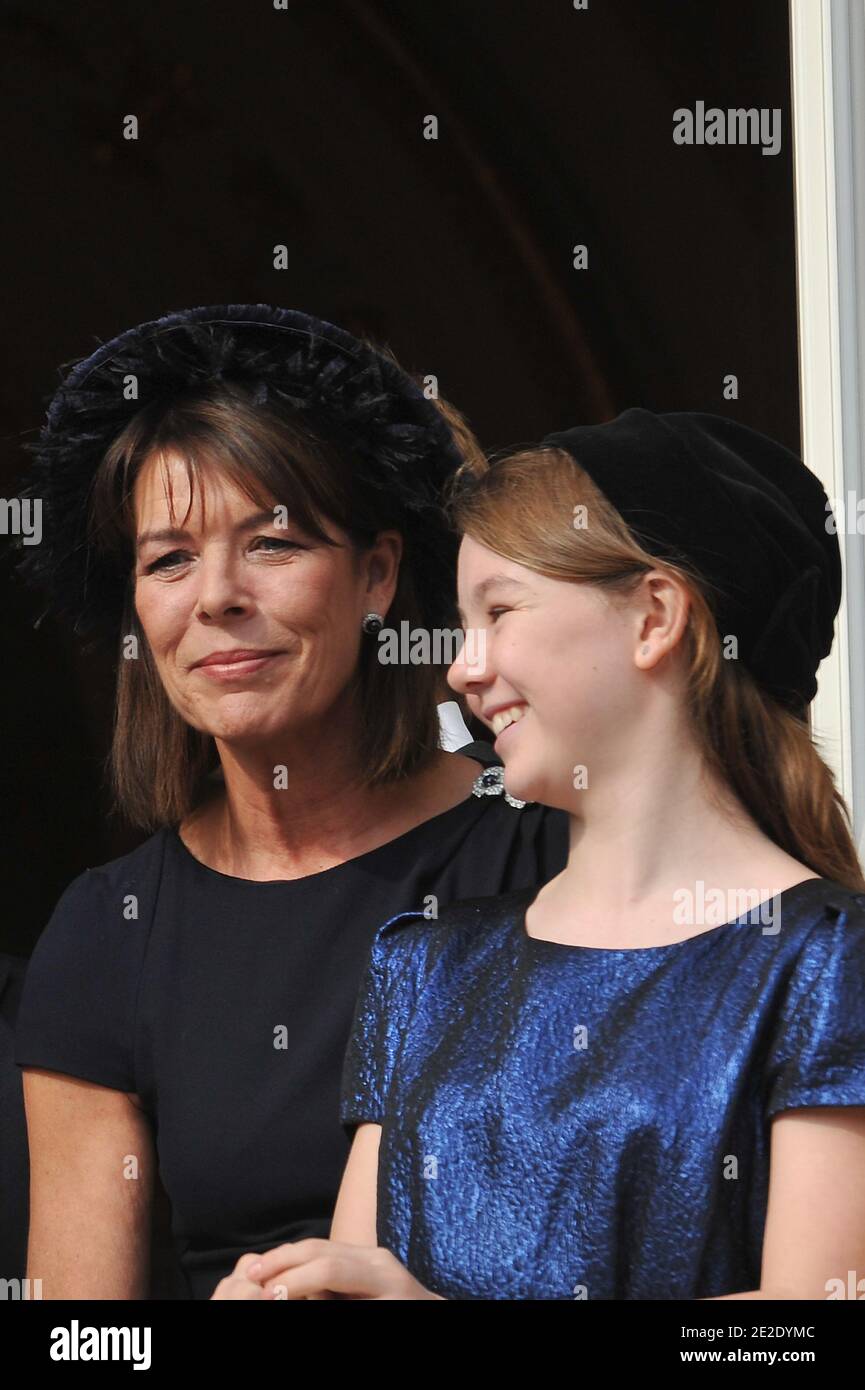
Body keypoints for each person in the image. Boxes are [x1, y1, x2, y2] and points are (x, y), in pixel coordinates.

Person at [223, 407, 865, 1301]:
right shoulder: (423, 966)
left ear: (654, 617)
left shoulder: (824, 963)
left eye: (500, 610)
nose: (460, 668)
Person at [11, 304, 569, 1300]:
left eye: (271, 544)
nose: (216, 594)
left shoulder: (550, 861)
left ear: (378, 575)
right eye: (168, 558)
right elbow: (79, 1332)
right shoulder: (108, 934)